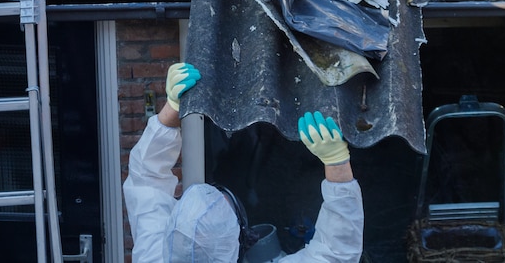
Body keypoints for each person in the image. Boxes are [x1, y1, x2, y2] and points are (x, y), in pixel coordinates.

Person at [124, 63, 364, 262]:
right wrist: (336, 163)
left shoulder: (153, 255)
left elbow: (146, 180)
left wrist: (171, 110)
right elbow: (336, 254)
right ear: (240, 238)